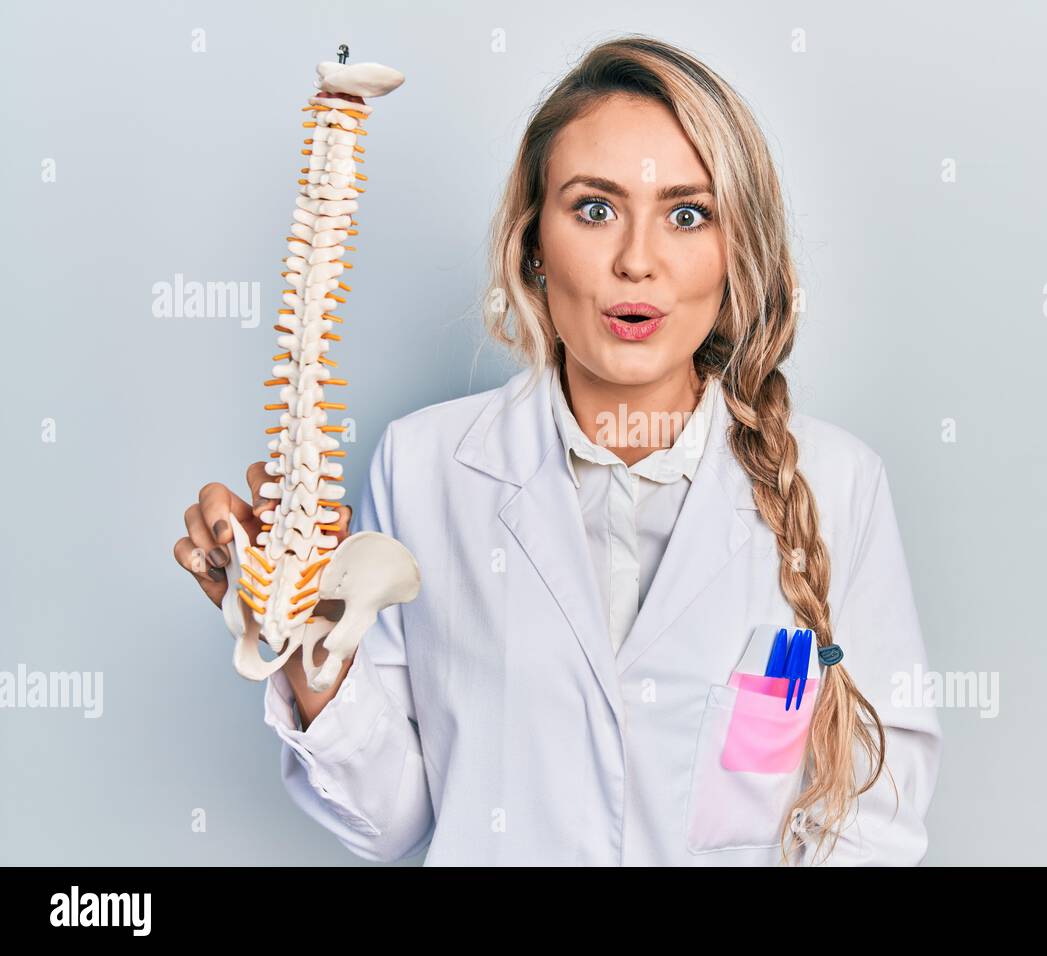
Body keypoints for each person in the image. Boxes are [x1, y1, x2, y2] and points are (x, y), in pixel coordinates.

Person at [174, 34, 941, 866]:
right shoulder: (425, 466)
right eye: (594, 209)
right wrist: (308, 648)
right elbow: (391, 819)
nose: (636, 262)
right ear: (533, 243)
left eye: (688, 215)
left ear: (734, 252)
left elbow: (875, 815)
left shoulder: (837, 485)